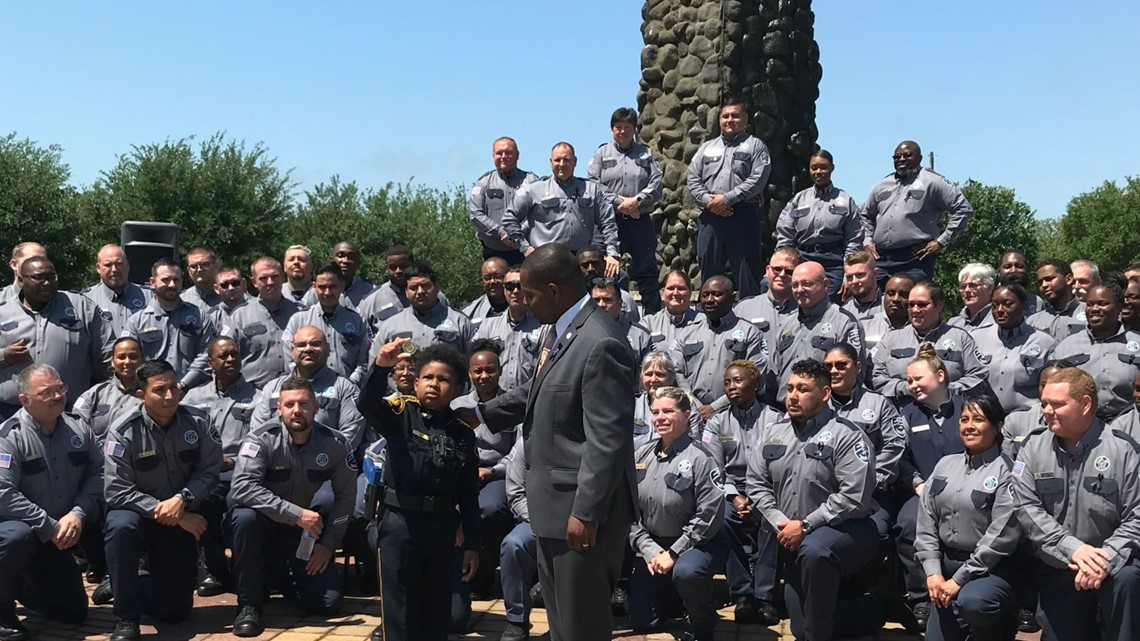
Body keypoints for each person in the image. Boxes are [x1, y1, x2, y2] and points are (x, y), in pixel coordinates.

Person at [461, 244, 637, 641]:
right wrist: (482, 413)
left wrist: (586, 512)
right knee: (562, 624)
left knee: (581, 626)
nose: (523, 302)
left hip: (580, 512)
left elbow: (607, 440)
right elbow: (539, 390)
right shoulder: (562, 331)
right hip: (554, 507)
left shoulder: (600, 343)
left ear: (555, 290)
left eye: (530, 294)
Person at [746, 359, 884, 641]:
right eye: (790, 388)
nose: (793, 396)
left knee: (815, 553)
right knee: (801, 625)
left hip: (847, 531)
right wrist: (781, 523)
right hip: (791, 533)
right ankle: (875, 610)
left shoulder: (848, 436)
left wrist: (806, 526)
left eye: (803, 389)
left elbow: (854, 497)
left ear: (824, 394)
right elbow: (755, 483)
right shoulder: (773, 433)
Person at [359, 340, 480, 641]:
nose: (434, 385)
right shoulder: (400, 415)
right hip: (400, 524)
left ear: (457, 389)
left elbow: (468, 494)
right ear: (415, 382)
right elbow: (367, 405)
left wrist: (473, 545)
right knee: (400, 613)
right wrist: (379, 369)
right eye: (428, 378)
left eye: (443, 380)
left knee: (436, 611)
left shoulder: (462, 434)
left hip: (441, 529)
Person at [1011, 367, 1140, 641]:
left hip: (1114, 566)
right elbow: (1025, 507)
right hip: (1059, 568)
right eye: (1044, 403)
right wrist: (1075, 550)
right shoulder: (1031, 448)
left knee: (1128, 584)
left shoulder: (1124, 450)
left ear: (1085, 405)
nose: (1046, 411)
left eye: (1057, 404)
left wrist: (1103, 559)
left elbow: (1137, 517)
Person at [102, 360, 222, 641]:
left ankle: (138, 579)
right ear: (141, 395)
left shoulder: (199, 421)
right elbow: (116, 490)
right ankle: (125, 616)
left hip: (180, 513)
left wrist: (184, 499)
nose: (170, 396)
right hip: (139, 513)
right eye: (160, 390)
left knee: (175, 611)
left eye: (173, 388)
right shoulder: (123, 430)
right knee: (120, 526)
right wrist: (169, 511)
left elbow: (210, 470)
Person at [227, 377, 356, 636]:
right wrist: (295, 513)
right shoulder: (261, 439)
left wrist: (327, 545)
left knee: (328, 603)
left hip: (302, 535)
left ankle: (274, 576)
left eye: (304, 404)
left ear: (316, 407)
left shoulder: (334, 443)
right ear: (279, 409)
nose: (296, 410)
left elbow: (346, 498)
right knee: (244, 518)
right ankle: (249, 605)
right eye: (289, 404)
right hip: (263, 528)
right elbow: (241, 487)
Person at [0, 365, 103, 640]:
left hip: (58, 533)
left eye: (60, 388)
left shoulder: (79, 428)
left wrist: (78, 513)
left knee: (73, 613)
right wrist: (49, 525)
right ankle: (3, 613)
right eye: (47, 392)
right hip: (23, 529)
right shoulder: (8, 436)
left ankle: (21, 583)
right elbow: (3, 492)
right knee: (15, 537)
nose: (57, 396)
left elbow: (100, 472)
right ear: (25, 400)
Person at [915, 394, 1024, 641]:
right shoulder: (944, 464)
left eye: (978, 419)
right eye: (964, 419)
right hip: (946, 568)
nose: (969, 426)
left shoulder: (1008, 471)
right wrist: (933, 571)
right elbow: (926, 520)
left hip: (991, 571)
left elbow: (1000, 538)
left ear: (997, 427)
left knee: (974, 602)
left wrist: (959, 579)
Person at [628, 387, 727, 641]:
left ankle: (703, 619)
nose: (660, 417)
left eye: (668, 411)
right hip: (653, 545)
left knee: (687, 572)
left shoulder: (702, 458)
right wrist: (649, 549)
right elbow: (629, 510)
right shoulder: (640, 454)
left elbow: (709, 514)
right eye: (655, 412)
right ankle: (676, 602)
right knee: (643, 621)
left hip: (696, 545)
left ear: (686, 415)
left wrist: (673, 553)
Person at [699, 360, 780, 625]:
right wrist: (734, 497)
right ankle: (743, 594)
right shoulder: (716, 424)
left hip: (767, 490)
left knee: (773, 521)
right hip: (730, 492)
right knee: (721, 521)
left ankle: (765, 596)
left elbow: (778, 466)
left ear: (755, 384)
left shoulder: (776, 419)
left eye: (738, 381)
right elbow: (714, 469)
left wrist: (758, 500)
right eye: (727, 382)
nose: (732, 387)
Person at [895, 344, 968, 628]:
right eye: (909, 381)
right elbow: (900, 458)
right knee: (907, 524)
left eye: (918, 379)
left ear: (940, 376)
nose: (912, 385)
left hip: (966, 490)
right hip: (923, 491)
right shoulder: (906, 415)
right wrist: (917, 484)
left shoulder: (968, 407)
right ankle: (921, 598)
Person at [181, 336, 258, 596]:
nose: (230, 360)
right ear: (210, 362)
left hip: (244, 475)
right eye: (223, 356)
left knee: (244, 516)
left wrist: (235, 461)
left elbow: (261, 441)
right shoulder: (193, 398)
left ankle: (245, 569)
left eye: (234, 355)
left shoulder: (258, 397)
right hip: (207, 476)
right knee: (203, 505)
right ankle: (214, 569)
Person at [0, 256, 114, 416]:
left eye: (52, 277)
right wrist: (4, 356)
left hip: (68, 410)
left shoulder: (81, 307)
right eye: (39, 278)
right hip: (9, 411)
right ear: (20, 279)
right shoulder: (3, 311)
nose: (47, 283)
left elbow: (108, 357)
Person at [449, 340, 518, 599]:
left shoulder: (513, 404)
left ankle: (483, 574)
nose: (484, 376)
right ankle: (455, 576)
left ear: (499, 371)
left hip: (497, 474)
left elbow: (519, 451)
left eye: (490, 370)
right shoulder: (456, 406)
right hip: (462, 473)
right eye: (477, 371)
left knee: (489, 510)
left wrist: (493, 472)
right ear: (469, 373)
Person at [686, 100, 771, 298]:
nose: (730, 120)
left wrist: (727, 199)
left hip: (742, 215)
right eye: (725, 116)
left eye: (735, 116)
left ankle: (750, 318)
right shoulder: (706, 148)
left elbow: (757, 180)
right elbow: (692, 177)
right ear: (719, 120)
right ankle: (710, 319)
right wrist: (709, 201)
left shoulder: (756, 146)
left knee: (747, 273)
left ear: (745, 119)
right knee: (709, 271)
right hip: (710, 216)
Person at [859, 140, 975, 286]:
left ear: (919, 158)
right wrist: (867, 241)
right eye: (897, 157)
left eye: (907, 155)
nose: (901, 160)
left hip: (915, 259)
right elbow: (865, 216)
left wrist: (941, 241)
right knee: (876, 303)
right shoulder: (881, 185)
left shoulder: (933, 181)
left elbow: (963, 209)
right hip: (880, 258)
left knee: (914, 305)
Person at [824, 343, 907, 538]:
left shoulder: (879, 404)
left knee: (874, 533)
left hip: (871, 494)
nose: (834, 371)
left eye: (841, 365)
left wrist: (864, 483)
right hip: (823, 493)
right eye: (828, 366)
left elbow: (894, 446)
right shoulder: (814, 405)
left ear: (858, 367)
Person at [587, 107, 664, 314]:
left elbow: (657, 184)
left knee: (647, 272)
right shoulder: (601, 154)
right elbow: (594, 184)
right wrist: (620, 203)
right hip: (607, 222)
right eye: (618, 127)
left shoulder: (646, 154)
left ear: (634, 129)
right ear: (612, 130)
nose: (622, 131)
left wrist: (636, 201)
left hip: (640, 220)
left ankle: (652, 317)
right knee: (602, 272)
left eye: (627, 127)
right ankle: (599, 314)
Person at [252, 326, 366, 455]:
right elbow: (258, 433)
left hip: (325, 467)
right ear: (292, 350)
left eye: (315, 344)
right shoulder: (272, 388)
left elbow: (349, 437)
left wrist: (312, 461)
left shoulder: (345, 388)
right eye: (301, 345)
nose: (308, 349)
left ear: (328, 349)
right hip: (278, 466)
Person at [501, 142, 621, 264]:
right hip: (544, 260)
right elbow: (509, 218)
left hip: (580, 261)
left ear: (575, 161)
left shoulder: (592, 189)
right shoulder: (533, 190)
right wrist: (525, 248)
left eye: (566, 160)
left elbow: (608, 223)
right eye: (557, 160)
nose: (562, 164)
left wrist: (612, 254)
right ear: (551, 162)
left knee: (620, 278)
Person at [871, 281, 987, 402]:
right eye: (911, 305)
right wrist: (908, 388)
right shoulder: (891, 339)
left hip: (948, 414)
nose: (915, 310)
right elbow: (877, 378)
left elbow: (978, 376)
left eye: (922, 305)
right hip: (902, 413)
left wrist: (944, 390)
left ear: (939, 306)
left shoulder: (960, 338)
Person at [769, 262, 864, 407]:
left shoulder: (845, 322)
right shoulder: (785, 324)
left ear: (825, 284)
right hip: (786, 412)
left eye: (807, 284)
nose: (800, 290)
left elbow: (854, 376)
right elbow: (774, 372)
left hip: (827, 413)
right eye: (795, 285)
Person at [676, 275, 766, 418]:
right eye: (705, 295)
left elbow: (755, 376)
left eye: (717, 294)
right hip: (692, 414)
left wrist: (714, 407)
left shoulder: (750, 332)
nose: (710, 300)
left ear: (732, 297)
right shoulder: (686, 333)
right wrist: (695, 405)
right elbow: (675, 371)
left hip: (734, 415)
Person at [775, 150, 863, 295]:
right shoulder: (798, 199)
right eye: (814, 168)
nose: (818, 172)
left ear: (832, 168)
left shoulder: (846, 200)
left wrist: (849, 274)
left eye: (823, 167)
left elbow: (854, 240)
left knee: (828, 301)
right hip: (802, 259)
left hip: (833, 262)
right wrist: (780, 264)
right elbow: (785, 235)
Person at [1052, 279, 1140, 420]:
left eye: (1103, 303)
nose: (1094, 309)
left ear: (1119, 307)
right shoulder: (1067, 347)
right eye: (1090, 304)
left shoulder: (1137, 343)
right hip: (1081, 424)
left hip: (1130, 423)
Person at [124, 258, 216, 390]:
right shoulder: (136, 321)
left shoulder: (200, 317)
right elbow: (131, 360)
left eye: (176, 280)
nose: (172, 284)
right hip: (152, 394)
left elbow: (207, 354)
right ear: (152, 282)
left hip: (192, 393)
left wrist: (183, 385)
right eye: (165, 280)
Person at [972, 283, 1056, 413]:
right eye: (994, 305)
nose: (999, 310)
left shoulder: (1044, 343)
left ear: (1024, 305)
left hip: (1026, 418)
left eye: (1007, 304)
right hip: (986, 417)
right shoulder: (976, 338)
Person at [370, 262, 474, 364]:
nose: (420, 291)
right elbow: (374, 364)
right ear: (406, 292)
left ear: (437, 287)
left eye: (426, 285)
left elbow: (474, 363)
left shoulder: (460, 322)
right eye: (413, 288)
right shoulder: (391, 326)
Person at [285, 263, 369, 386]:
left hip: (348, 390)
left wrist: (348, 385)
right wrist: (304, 384)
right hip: (308, 391)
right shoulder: (298, 320)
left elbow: (363, 361)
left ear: (342, 286)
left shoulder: (356, 320)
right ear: (314, 287)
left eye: (332, 286)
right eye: (322, 287)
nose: (327, 292)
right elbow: (291, 359)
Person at [468, 136, 538, 264]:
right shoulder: (483, 183)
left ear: (517, 155)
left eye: (509, 152)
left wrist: (516, 233)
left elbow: (538, 211)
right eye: (499, 153)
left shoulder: (532, 181)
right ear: (493, 155)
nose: (504, 156)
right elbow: (475, 213)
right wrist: (500, 232)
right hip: (493, 252)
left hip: (525, 250)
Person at [473, 267, 542, 392]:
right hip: (495, 402)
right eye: (510, 286)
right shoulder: (487, 326)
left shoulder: (544, 326)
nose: (515, 291)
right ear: (504, 290)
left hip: (530, 401)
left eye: (520, 286)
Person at [237, 257, 302, 387]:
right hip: (255, 393)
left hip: (295, 391)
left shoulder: (300, 314)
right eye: (263, 278)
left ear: (283, 278)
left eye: (275, 276)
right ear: (254, 282)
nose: (270, 282)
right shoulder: (239, 316)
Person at [358, 245, 453, 334]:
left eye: (403, 266)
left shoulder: (436, 296)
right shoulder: (370, 302)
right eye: (392, 267)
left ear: (412, 264)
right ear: (386, 269)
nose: (398, 271)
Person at [735, 248, 801, 370]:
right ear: (767, 270)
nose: (782, 275)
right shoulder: (743, 309)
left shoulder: (806, 309)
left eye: (789, 271)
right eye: (777, 269)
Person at [498, 438, 535, 641]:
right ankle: (517, 621)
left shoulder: (586, 437)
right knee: (514, 545)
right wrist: (544, 523)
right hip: (536, 522)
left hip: (578, 524)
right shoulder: (525, 444)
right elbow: (516, 494)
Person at [73, 337, 143, 441]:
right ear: (112, 361)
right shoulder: (95, 394)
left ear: (142, 360)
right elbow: (77, 426)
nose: (127, 362)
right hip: (99, 456)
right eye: (121, 357)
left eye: (133, 357)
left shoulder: (151, 394)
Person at [1001, 360, 1071, 457]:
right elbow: (1008, 463)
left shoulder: (1079, 420)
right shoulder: (1016, 420)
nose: (1048, 390)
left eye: (1056, 385)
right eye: (1043, 385)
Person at [81, 244, 154, 337]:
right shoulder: (86, 300)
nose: (114, 269)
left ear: (127, 266)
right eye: (108, 265)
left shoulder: (149, 297)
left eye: (119, 264)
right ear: (98, 268)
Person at [633, 351, 699, 446]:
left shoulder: (687, 405)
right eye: (649, 374)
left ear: (671, 378)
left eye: (660, 374)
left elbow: (696, 441)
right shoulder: (631, 405)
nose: (653, 379)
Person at [590, 279, 652, 369]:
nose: (601, 304)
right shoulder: (580, 333)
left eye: (607, 300)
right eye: (596, 300)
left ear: (620, 303)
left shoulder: (640, 336)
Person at [302, 241, 375, 310]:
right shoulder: (315, 292)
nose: (345, 261)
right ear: (331, 260)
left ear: (359, 262)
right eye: (340, 256)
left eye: (351, 257)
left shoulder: (371, 291)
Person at [1027, 259, 1086, 342]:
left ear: (1068, 279)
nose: (1044, 285)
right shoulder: (1032, 322)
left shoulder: (1090, 313)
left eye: (1049, 279)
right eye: (1040, 282)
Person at [577, 246, 642, 322]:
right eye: (585, 265)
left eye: (595, 264)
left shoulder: (624, 298)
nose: (591, 268)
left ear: (604, 265)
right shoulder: (570, 300)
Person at [643, 271, 704, 349]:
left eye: (681, 288)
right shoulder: (648, 324)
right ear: (663, 292)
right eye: (671, 288)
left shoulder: (704, 323)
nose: (675, 293)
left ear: (690, 292)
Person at [864, 274, 915, 355]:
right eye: (891, 294)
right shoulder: (863, 327)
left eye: (903, 295)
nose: (896, 299)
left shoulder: (921, 329)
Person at [462, 257, 510, 331]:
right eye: (487, 278)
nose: (492, 281)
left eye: (498, 276)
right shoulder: (467, 314)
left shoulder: (523, 309)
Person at [841, 250, 883, 326]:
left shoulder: (889, 308)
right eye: (850, 277)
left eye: (860, 275)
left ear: (875, 273)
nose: (854, 281)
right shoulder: (843, 313)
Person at [996, 251, 1045, 316]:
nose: (1013, 270)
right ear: (999, 272)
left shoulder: (1036, 302)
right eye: (1007, 267)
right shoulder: (987, 300)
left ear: (1027, 271)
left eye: (1019, 266)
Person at [949, 263, 995, 331]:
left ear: (990, 288)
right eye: (963, 286)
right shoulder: (953, 324)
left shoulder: (999, 320)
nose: (967, 290)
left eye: (972, 285)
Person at [181, 247, 222, 314]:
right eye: (194, 266)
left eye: (204, 264)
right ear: (188, 271)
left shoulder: (231, 294)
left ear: (216, 267)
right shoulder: (182, 300)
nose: (199, 269)